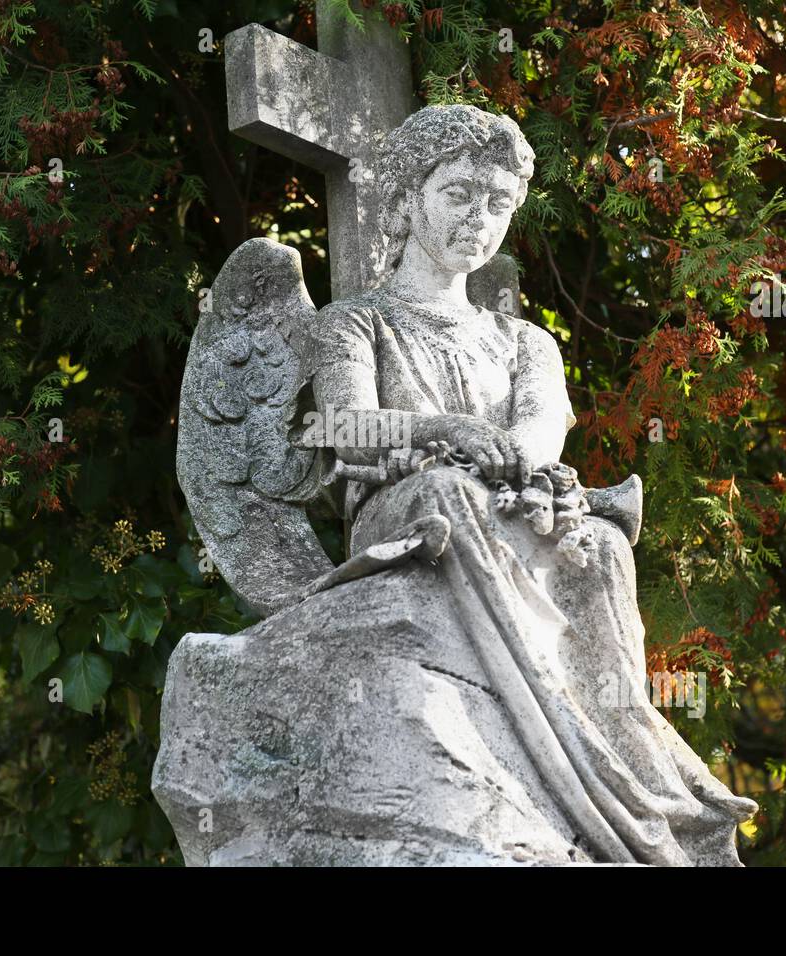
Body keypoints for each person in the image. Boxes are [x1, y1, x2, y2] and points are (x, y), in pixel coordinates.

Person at [309, 104, 757, 865]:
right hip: (409, 511)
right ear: (409, 198)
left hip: (502, 503)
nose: (479, 220)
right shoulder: (355, 324)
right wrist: (445, 434)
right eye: (459, 194)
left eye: (497, 204)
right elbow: (345, 429)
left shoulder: (523, 341)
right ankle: (553, 750)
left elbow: (540, 429)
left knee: (603, 544)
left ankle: (625, 773)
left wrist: (526, 469)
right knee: (452, 498)